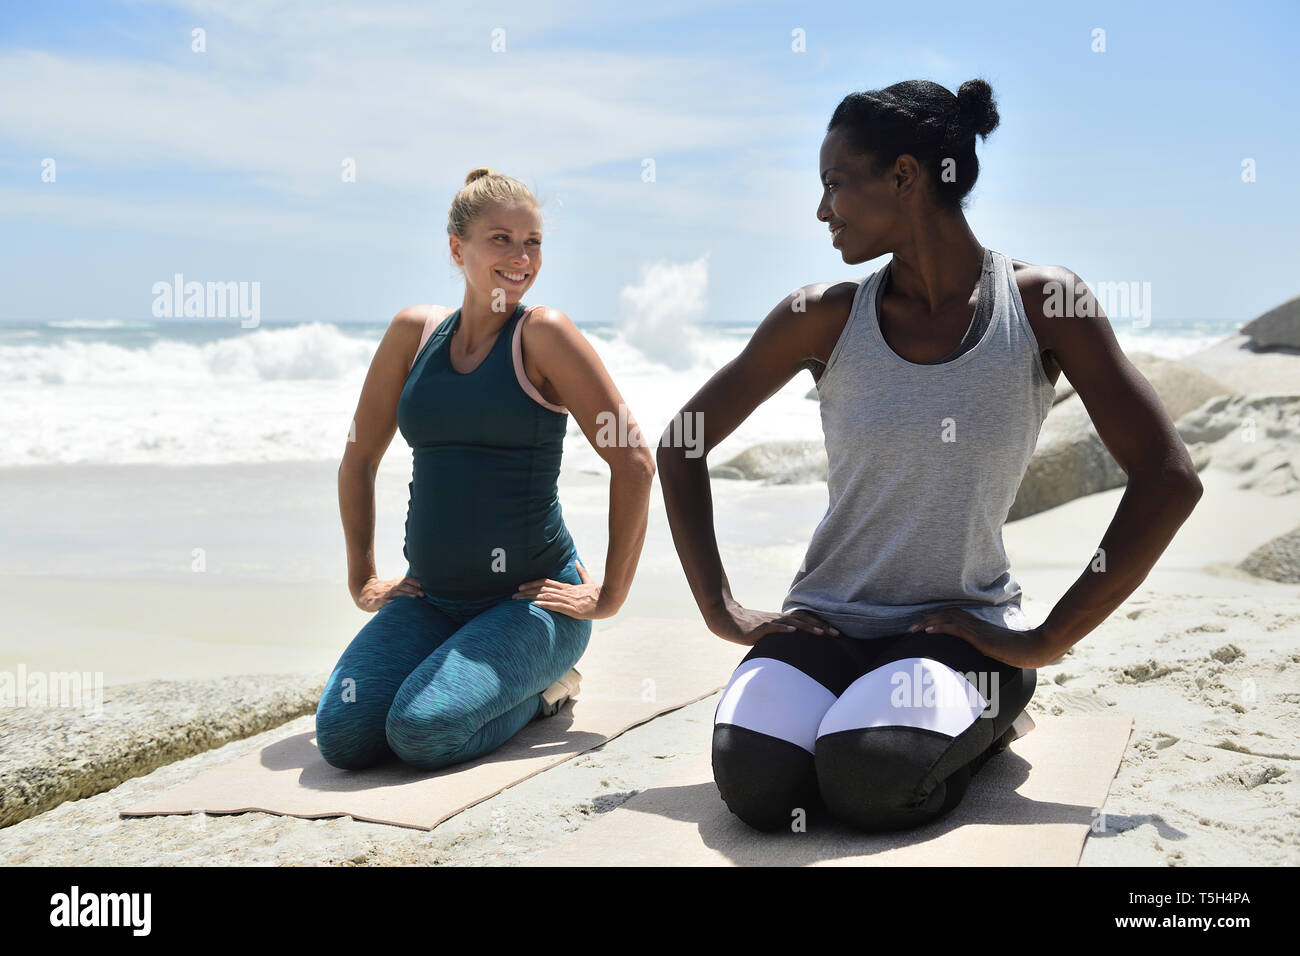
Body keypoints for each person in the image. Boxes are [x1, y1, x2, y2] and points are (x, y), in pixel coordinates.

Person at [656, 78, 1203, 832]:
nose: (822, 210)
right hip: (826, 626)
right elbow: (681, 444)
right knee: (761, 790)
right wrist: (722, 611)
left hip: (956, 638)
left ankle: (987, 722)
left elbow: (1169, 478)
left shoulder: (1044, 304)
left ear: (906, 177)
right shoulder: (820, 317)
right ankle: (911, 727)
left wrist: (1043, 640)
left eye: (835, 184)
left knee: (868, 782)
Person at [316, 168, 655, 771]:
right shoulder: (413, 334)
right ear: (457, 248)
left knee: (419, 734)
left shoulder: (543, 335)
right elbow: (359, 457)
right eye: (501, 239)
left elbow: (632, 458)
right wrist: (362, 577)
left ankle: (547, 687)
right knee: (343, 739)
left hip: (529, 603)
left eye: (534, 241)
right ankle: (467, 668)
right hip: (430, 597)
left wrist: (608, 593)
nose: (522, 257)